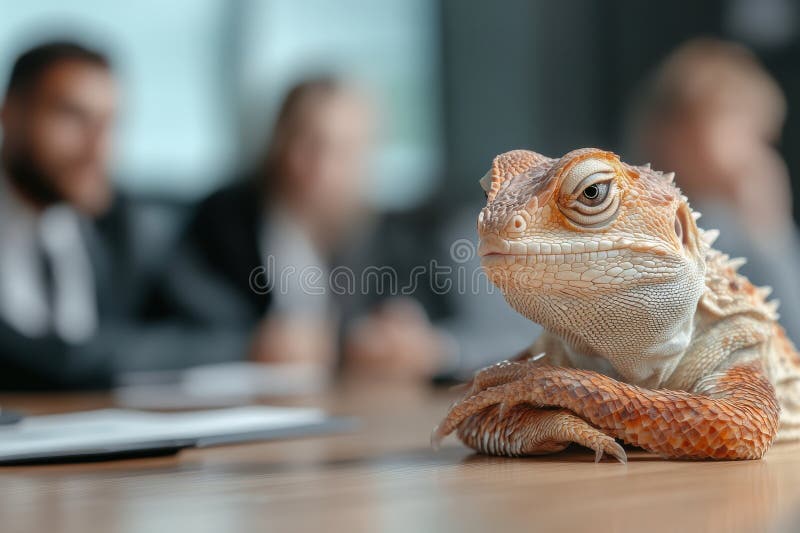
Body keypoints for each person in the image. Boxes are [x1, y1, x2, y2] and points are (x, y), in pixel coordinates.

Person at [165, 77, 449, 380]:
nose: (321, 168)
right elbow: (178, 327)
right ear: (279, 143)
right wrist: (249, 346)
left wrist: (408, 336)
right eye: (309, 144)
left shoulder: (387, 233)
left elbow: (438, 319)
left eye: (344, 151)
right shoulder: (221, 222)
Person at [0, 41, 242, 389]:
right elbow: (51, 360)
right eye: (73, 117)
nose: (98, 148)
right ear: (9, 113)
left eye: (109, 124)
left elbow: (226, 326)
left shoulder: (122, 220)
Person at [629, 38, 800, 343]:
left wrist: (770, 229)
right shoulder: (653, 221)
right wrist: (769, 230)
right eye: (746, 130)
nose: (756, 154)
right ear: (683, 131)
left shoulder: (731, 224)